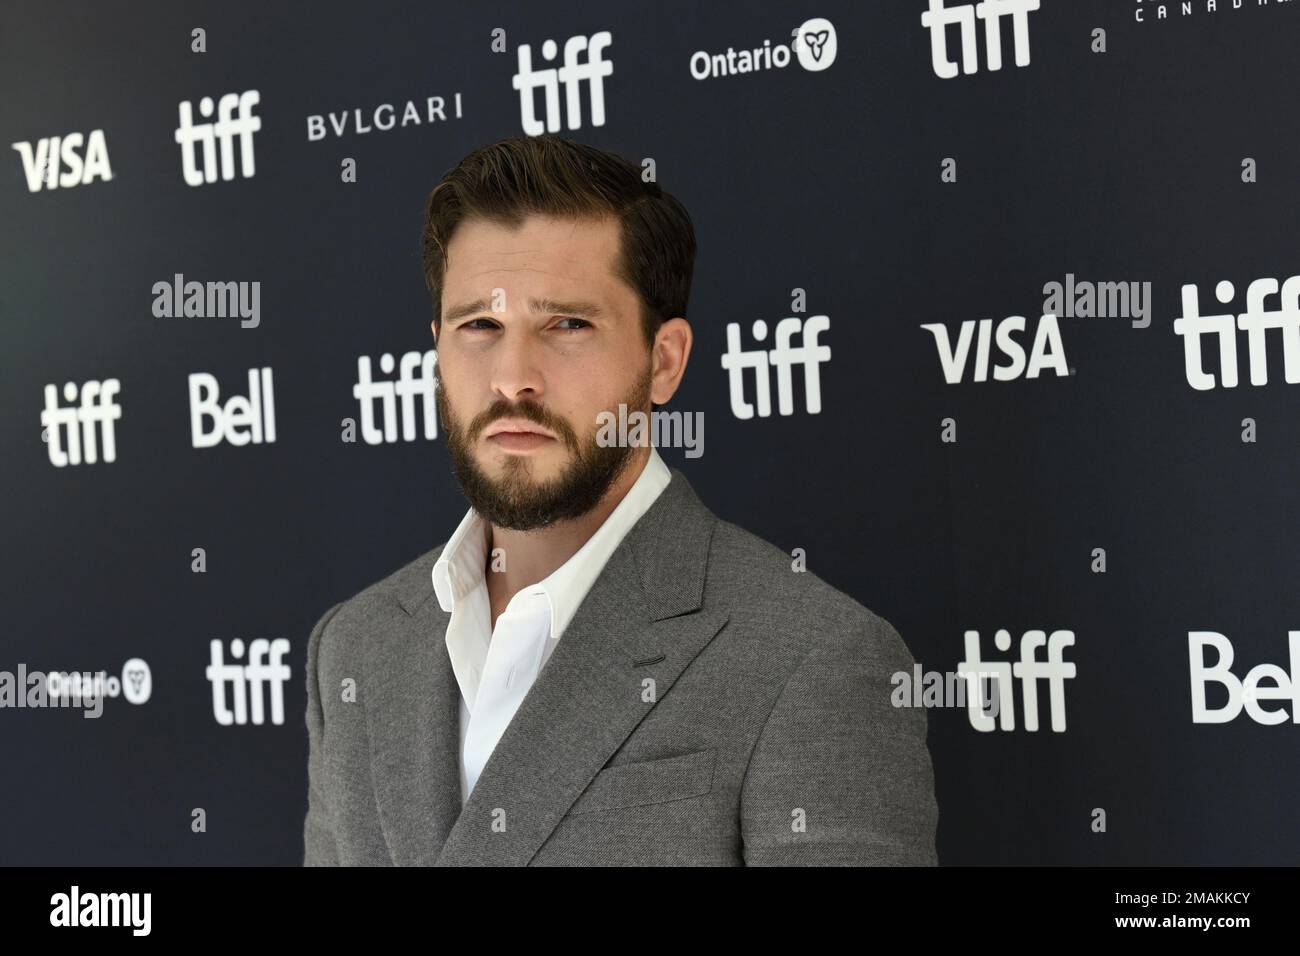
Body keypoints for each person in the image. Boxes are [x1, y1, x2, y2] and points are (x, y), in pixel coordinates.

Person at [303, 134, 939, 866]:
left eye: (567, 324)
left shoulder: (813, 658)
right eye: (479, 326)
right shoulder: (352, 647)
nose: (514, 378)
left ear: (663, 362)